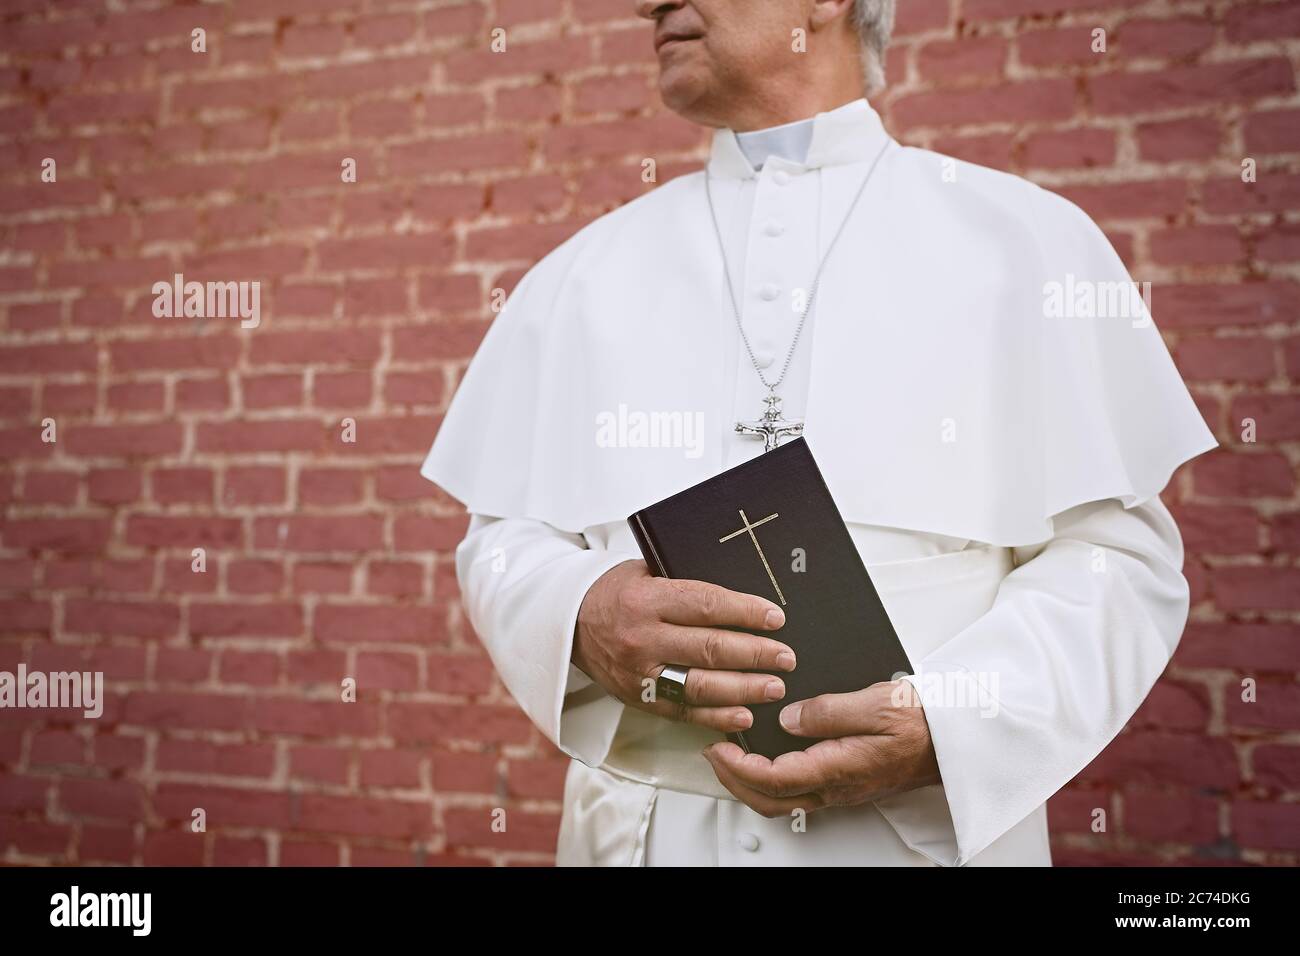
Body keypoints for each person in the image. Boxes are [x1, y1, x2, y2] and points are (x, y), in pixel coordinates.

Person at [420, 0, 1217, 865]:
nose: (650, 3)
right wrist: (580, 615)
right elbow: (503, 540)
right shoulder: (581, 274)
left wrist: (948, 723)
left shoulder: (1023, 244)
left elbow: (1117, 563)